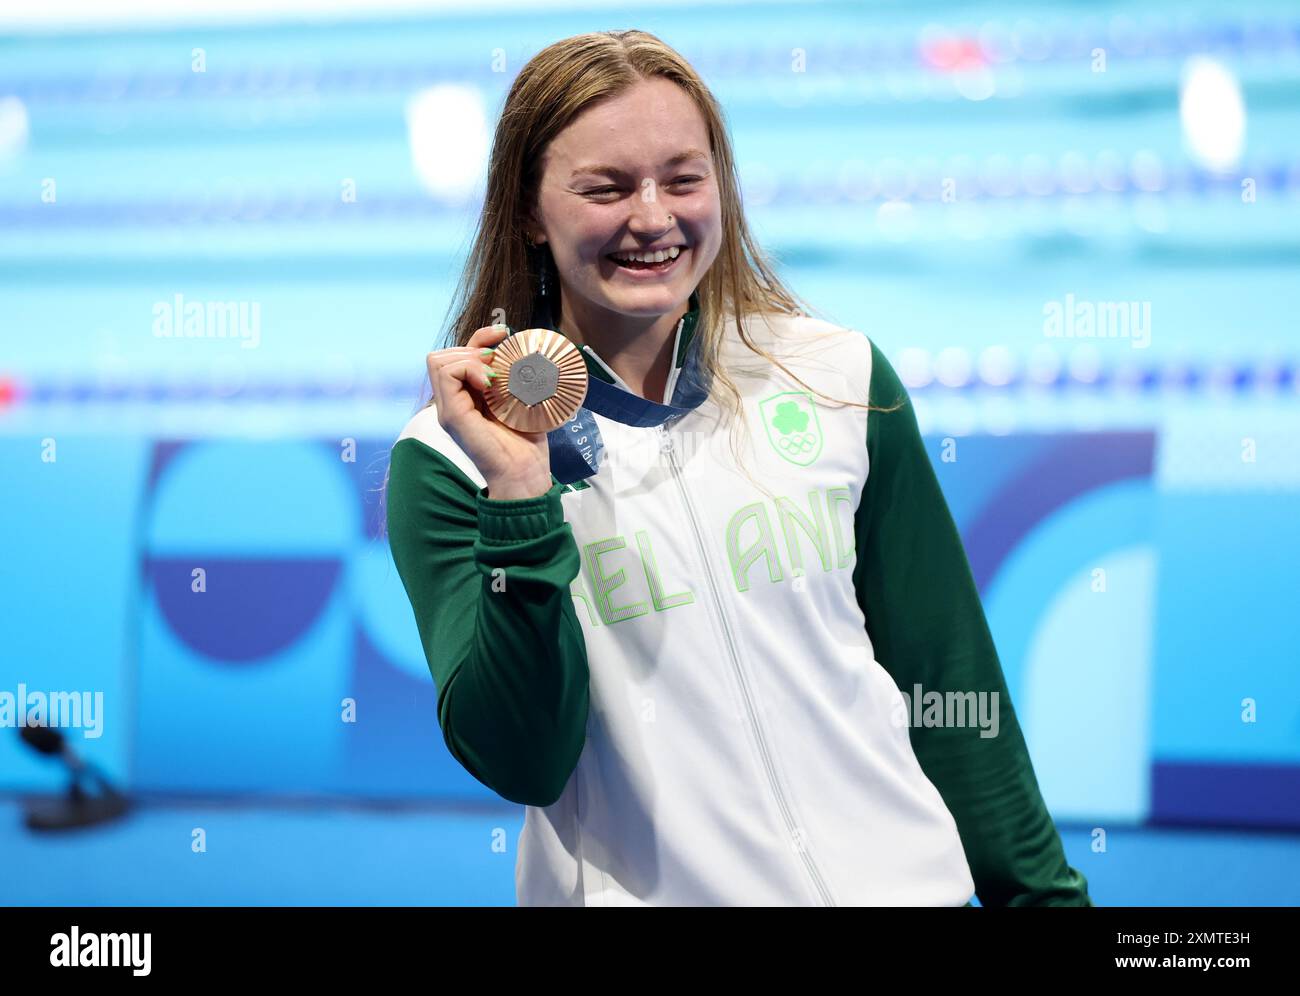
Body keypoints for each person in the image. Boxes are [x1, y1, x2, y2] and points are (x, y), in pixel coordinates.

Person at [384, 29, 1092, 907]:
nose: (653, 218)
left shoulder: (836, 376)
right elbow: (522, 754)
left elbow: (948, 686)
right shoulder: (451, 460)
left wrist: (1047, 902)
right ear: (529, 209)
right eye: (605, 188)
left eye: (684, 179)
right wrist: (522, 495)